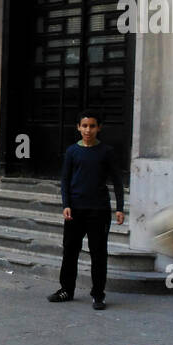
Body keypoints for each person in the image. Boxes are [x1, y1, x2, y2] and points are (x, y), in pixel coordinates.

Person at [48, 110, 126, 310]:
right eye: (84, 126)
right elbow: (65, 180)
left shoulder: (106, 152)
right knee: (70, 251)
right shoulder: (72, 151)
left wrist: (120, 208)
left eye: (92, 126)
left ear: (99, 128)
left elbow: (117, 181)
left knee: (98, 253)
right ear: (78, 127)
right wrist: (66, 204)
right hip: (75, 210)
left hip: (98, 210)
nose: (88, 130)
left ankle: (98, 294)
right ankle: (66, 289)